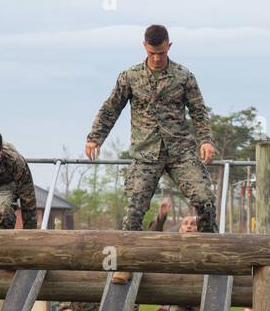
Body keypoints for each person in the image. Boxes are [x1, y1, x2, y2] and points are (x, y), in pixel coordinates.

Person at [85, 24, 218, 235]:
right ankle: (128, 264)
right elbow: (111, 108)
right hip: (146, 153)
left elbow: (199, 111)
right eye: (152, 53)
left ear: (169, 46)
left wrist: (206, 140)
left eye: (162, 53)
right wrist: (95, 138)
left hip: (180, 153)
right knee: (134, 212)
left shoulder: (183, 77)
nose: (157, 58)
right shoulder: (130, 76)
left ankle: (210, 258)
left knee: (205, 201)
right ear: (144, 46)